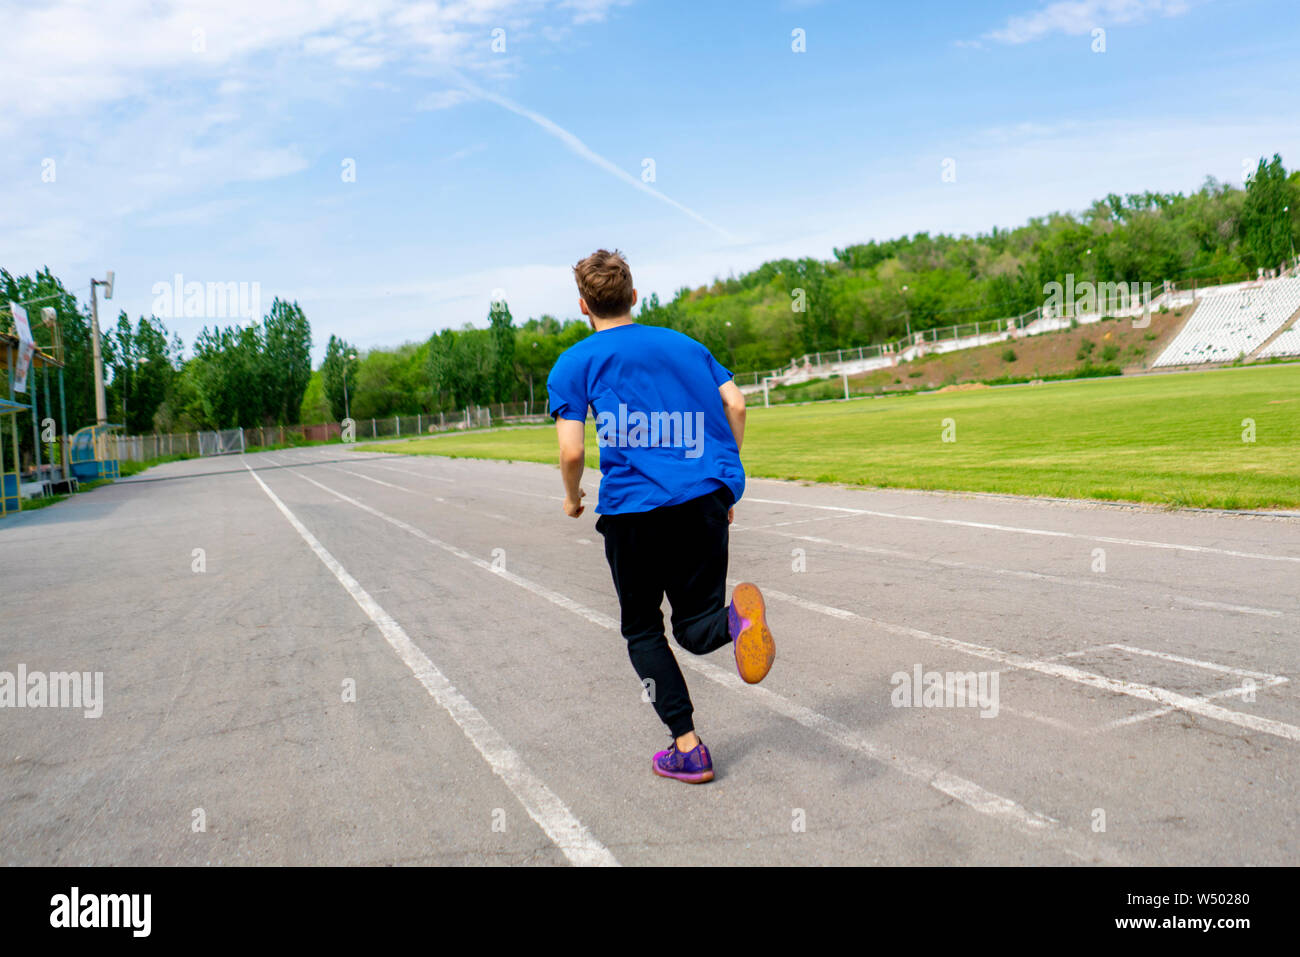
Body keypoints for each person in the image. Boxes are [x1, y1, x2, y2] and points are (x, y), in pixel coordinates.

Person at [547, 249, 775, 784]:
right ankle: (734, 621)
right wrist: (725, 477)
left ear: (584, 305)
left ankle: (688, 747)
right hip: (704, 500)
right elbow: (736, 405)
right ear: (634, 295)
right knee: (697, 627)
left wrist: (573, 496)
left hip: (635, 513)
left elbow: (572, 452)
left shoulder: (575, 362)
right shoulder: (686, 346)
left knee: (643, 630)